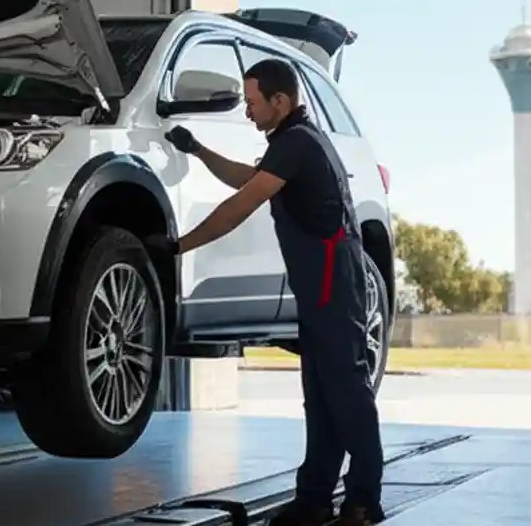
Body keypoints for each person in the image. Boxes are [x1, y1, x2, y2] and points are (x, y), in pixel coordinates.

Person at [147, 59, 384, 526]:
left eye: (254, 103)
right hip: (321, 283)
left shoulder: (297, 144)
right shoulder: (290, 141)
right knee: (319, 395)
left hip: (335, 283)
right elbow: (245, 179)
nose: (249, 112)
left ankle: (363, 500)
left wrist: (178, 246)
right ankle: (314, 499)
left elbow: (239, 206)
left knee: (346, 392)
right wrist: (196, 149)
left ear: (281, 101)